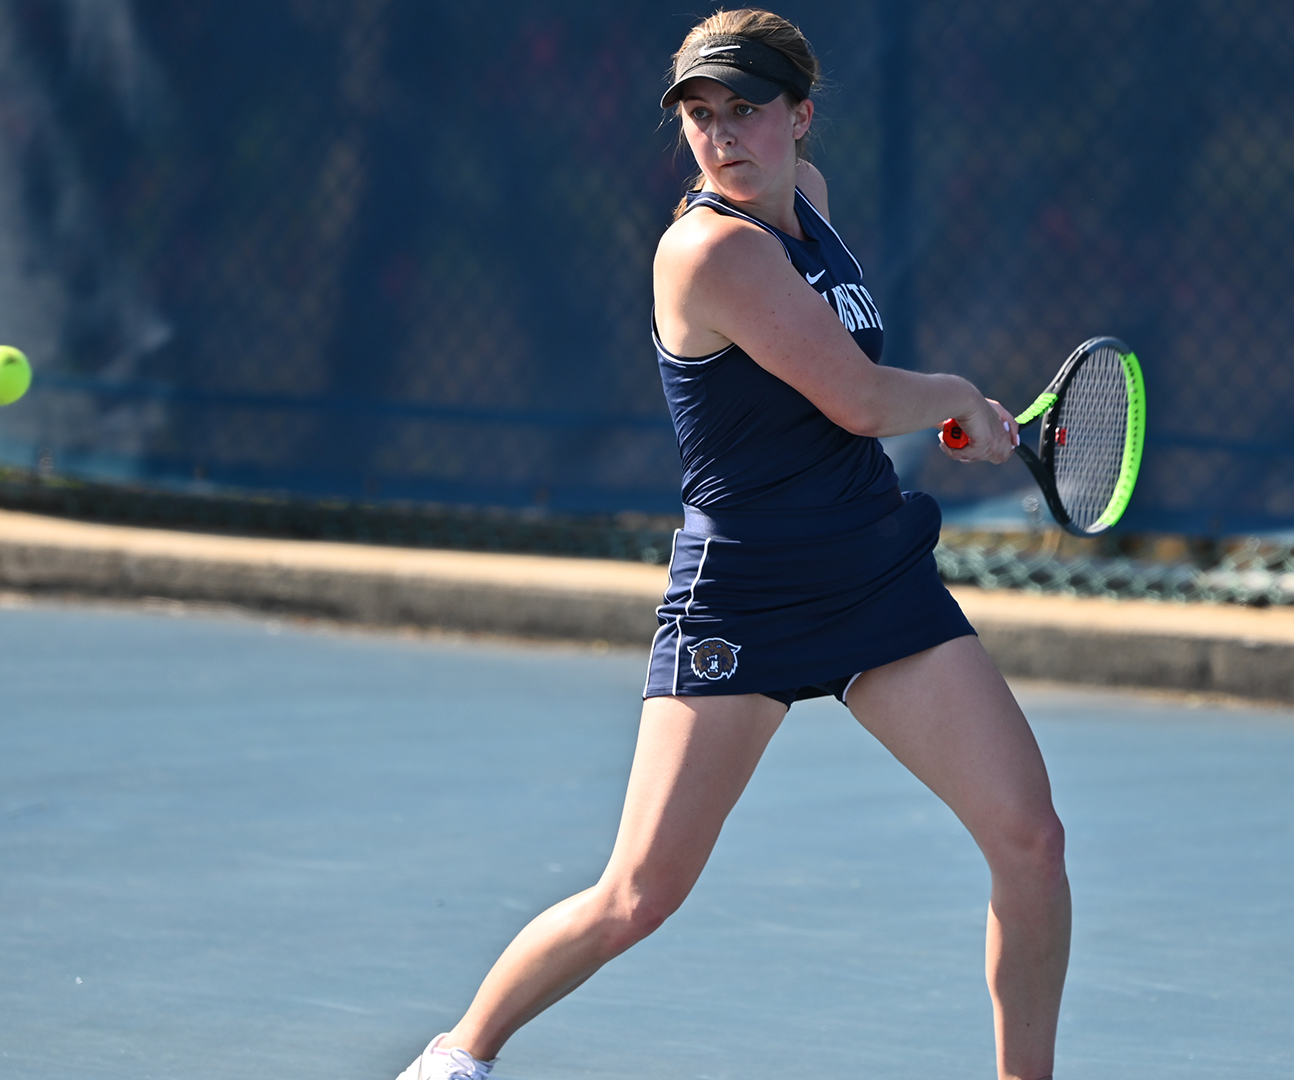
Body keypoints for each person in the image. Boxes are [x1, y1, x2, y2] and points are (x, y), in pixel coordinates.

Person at [399, 10, 1070, 1080]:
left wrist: (949, 410)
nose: (723, 135)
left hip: (870, 577)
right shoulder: (707, 249)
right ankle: (457, 1058)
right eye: (701, 117)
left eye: (746, 110)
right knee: (638, 895)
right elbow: (854, 398)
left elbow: (838, 393)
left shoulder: (811, 203)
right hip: (742, 602)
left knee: (1032, 843)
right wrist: (957, 398)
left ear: (801, 116)